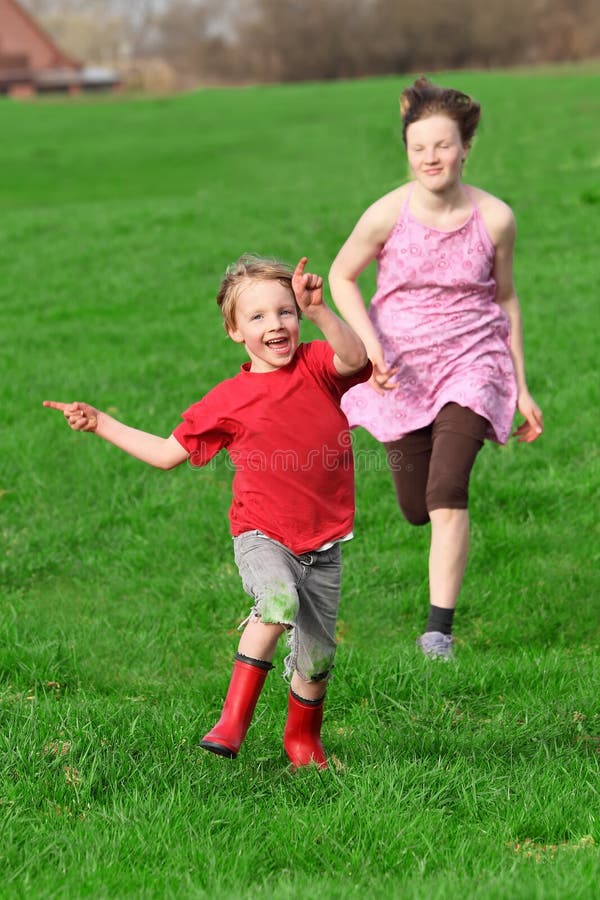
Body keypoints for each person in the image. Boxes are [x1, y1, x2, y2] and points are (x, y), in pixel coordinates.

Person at [44, 255, 371, 768]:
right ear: (235, 330)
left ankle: (302, 741)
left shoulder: (315, 365)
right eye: (258, 317)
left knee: (317, 658)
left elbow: (355, 359)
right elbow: (165, 454)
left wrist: (322, 310)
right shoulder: (228, 400)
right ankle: (232, 720)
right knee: (278, 603)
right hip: (263, 534)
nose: (276, 325)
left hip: (323, 544)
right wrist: (102, 422)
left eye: (285, 312)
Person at [328, 76, 543, 659]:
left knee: (448, 491)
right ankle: (437, 605)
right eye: (419, 147)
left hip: (475, 363)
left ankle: (437, 632)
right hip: (400, 371)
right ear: (407, 151)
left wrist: (520, 386)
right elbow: (341, 275)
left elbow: (506, 301)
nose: (431, 157)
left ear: (465, 147)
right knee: (417, 507)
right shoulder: (386, 214)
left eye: (443, 146)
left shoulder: (495, 218)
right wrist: (371, 347)